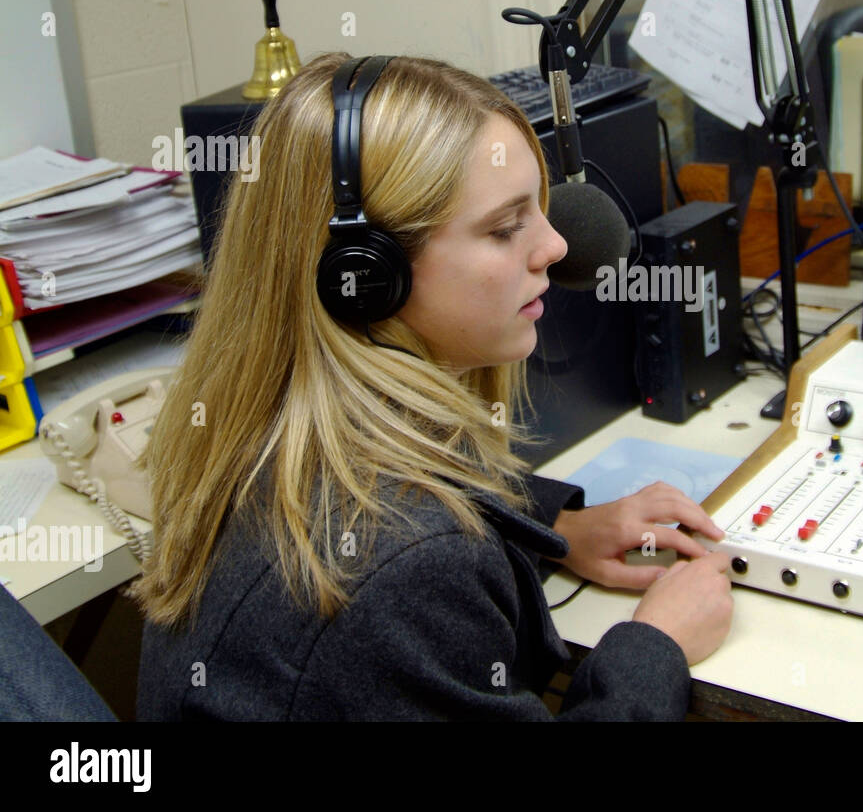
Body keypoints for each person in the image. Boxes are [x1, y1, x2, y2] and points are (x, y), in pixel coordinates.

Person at [134, 53, 734, 720]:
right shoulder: (407, 565)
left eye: (538, 210)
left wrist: (558, 527)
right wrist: (655, 646)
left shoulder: (257, 434)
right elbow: (409, 556)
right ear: (365, 275)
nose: (555, 247)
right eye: (505, 227)